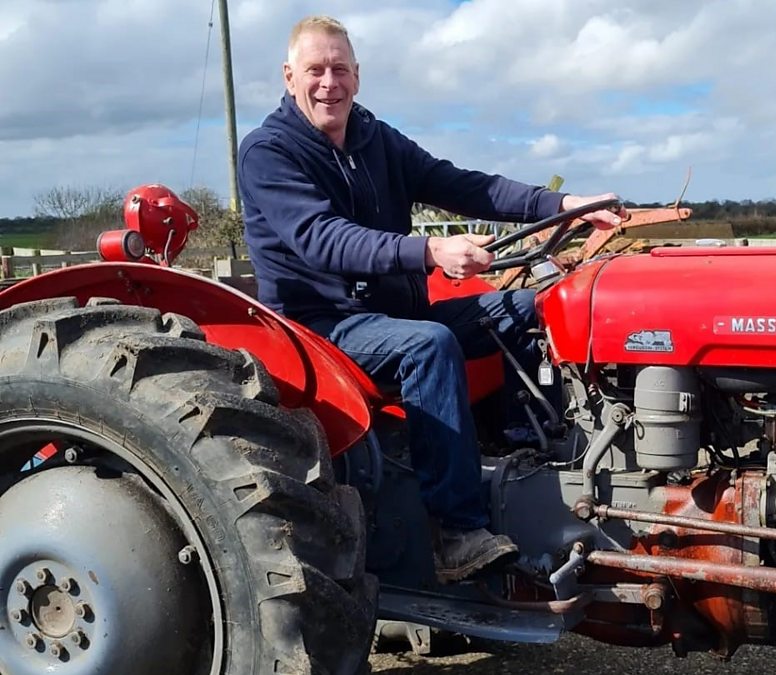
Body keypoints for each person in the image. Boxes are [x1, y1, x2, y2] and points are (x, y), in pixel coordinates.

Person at [237, 15, 624, 583]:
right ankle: (458, 532)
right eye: (315, 70)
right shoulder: (269, 153)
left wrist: (563, 206)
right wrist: (428, 252)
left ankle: (540, 457)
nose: (329, 83)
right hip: (322, 328)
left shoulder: (373, 137)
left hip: (394, 313)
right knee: (429, 345)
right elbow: (320, 238)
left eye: (339, 69)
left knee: (534, 309)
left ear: (357, 76)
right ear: (289, 76)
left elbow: (463, 184)